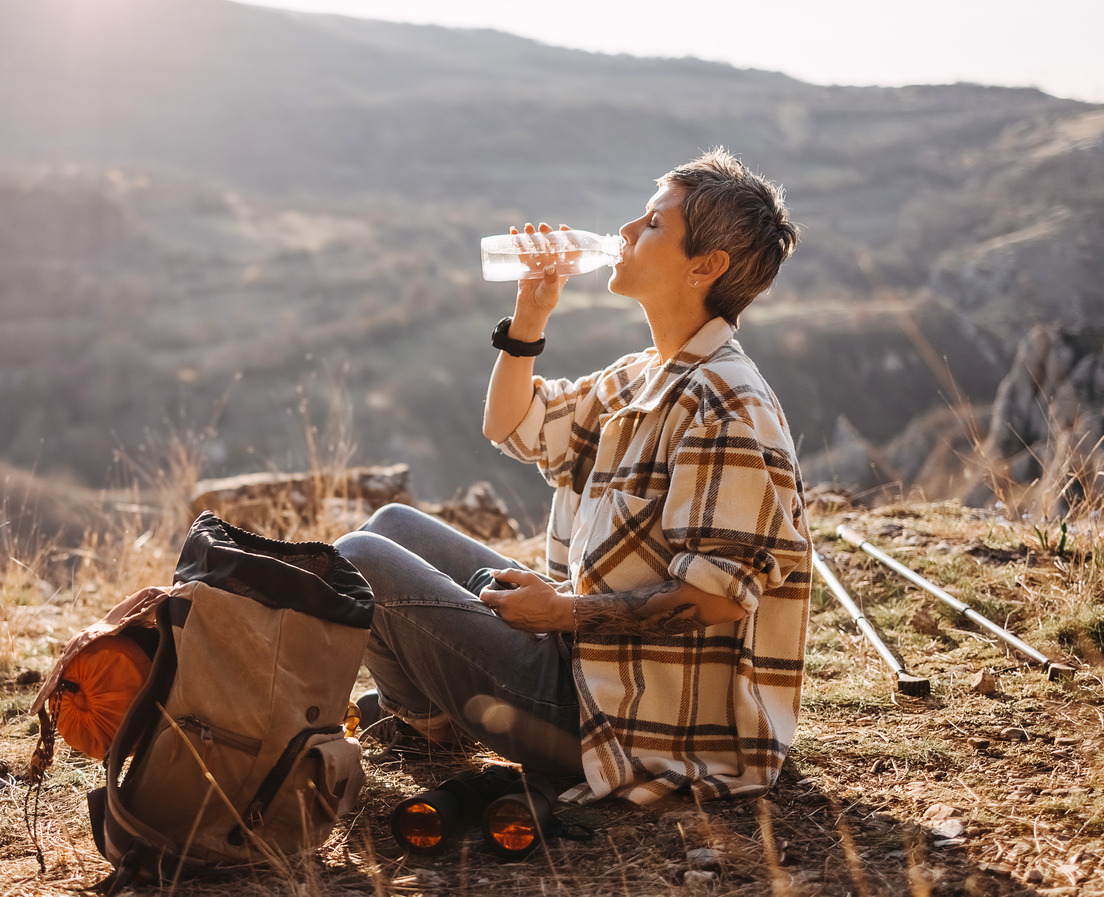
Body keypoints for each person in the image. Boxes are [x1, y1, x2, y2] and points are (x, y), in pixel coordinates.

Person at [336, 148, 811, 804]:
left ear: (707, 265)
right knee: (390, 524)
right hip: (585, 660)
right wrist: (531, 315)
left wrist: (564, 611)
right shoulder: (643, 375)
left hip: (622, 719)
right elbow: (510, 423)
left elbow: (719, 599)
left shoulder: (726, 403)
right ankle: (427, 720)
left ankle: (402, 715)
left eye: (651, 224)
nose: (624, 233)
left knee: (357, 556)